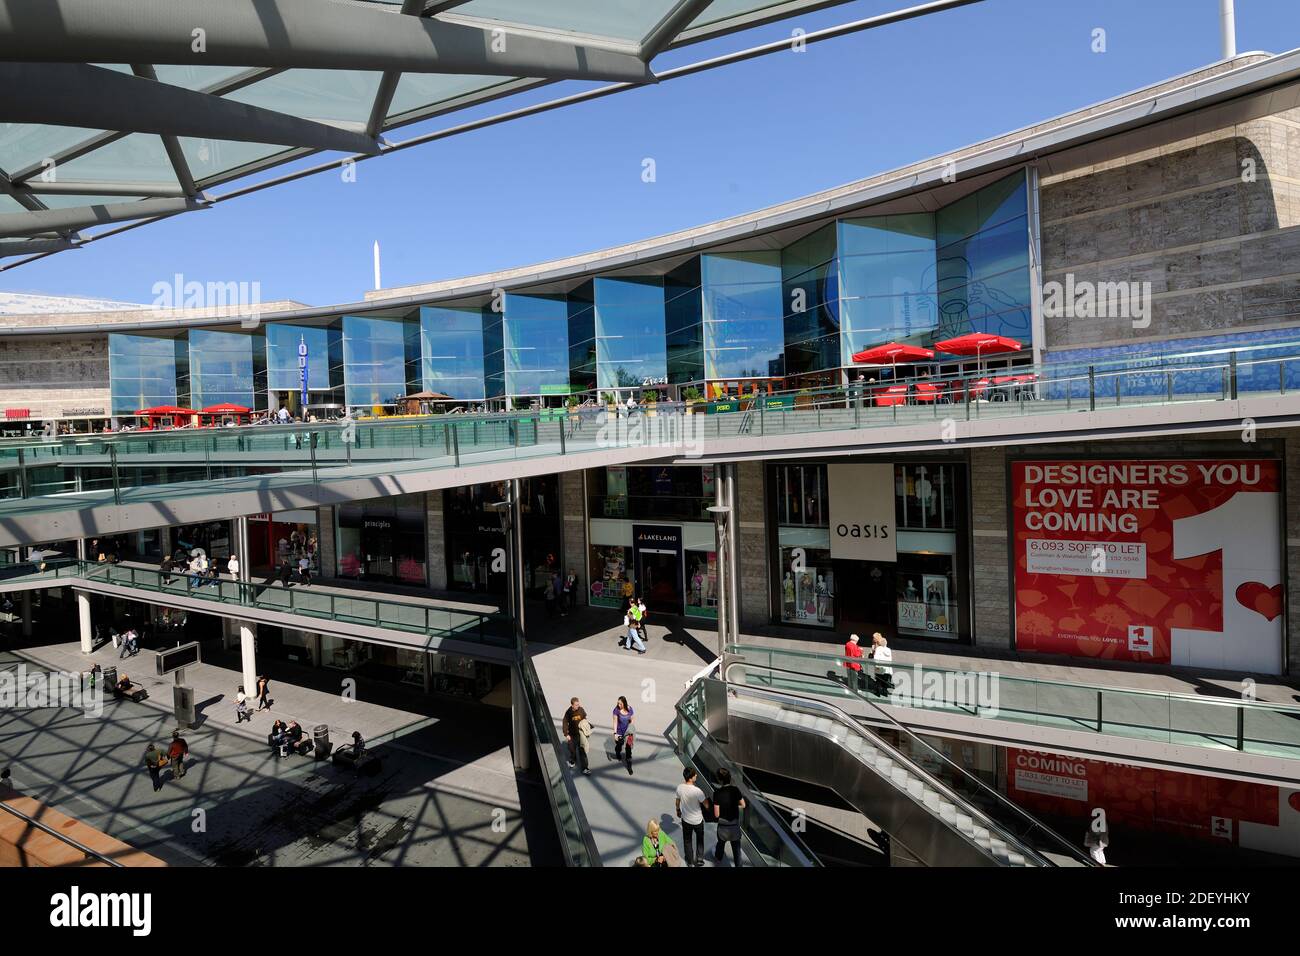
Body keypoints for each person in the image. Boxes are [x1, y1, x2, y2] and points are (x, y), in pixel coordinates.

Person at [712, 767, 746, 867]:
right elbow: (743, 805)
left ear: (719, 779)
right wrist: (733, 806)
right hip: (734, 825)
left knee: (720, 844)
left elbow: (716, 814)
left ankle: (718, 858)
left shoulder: (717, 793)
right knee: (737, 851)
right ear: (729, 778)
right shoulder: (735, 790)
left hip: (723, 827)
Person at [676, 767, 708, 867]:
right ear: (690, 777)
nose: (696, 776)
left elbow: (677, 801)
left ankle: (689, 861)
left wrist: (678, 810)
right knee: (700, 839)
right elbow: (706, 805)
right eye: (695, 774)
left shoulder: (680, 788)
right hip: (698, 820)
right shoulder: (698, 791)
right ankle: (699, 859)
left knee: (687, 840)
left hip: (686, 820)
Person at [562, 697, 590, 775]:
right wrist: (566, 734)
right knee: (572, 749)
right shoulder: (568, 712)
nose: (578, 706)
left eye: (578, 704)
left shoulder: (581, 710)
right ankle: (573, 760)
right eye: (576, 705)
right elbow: (564, 722)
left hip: (580, 735)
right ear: (572, 705)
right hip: (572, 735)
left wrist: (585, 727)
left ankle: (585, 768)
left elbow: (585, 717)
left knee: (582, 751)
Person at [612, 696, 635, 774]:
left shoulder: (630, 709)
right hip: (619, 732)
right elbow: (615, 722)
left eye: (620, 704)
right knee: (619, 745)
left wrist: (631, 729)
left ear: (624, 703)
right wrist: (615, 734)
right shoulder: (616, 710)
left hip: (628, 733)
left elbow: (632, 720)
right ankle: (617, 753)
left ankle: (629, 766)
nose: (619, 705)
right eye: (618, 703)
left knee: (628, 750)